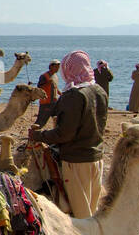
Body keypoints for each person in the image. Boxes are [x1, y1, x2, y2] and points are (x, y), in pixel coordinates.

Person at [29, 50, 109, 218]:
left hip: (76, 161)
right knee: (92, 211)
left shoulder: (74, 95)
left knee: (81, 216)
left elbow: (64, 134)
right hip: (97, 157)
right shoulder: (99, 91)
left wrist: (39, 136)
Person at [36, 60, 61, 126]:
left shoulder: (55, 76)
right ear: (51, 67)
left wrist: (61, 94)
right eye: (56, 67)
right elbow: (39, 88)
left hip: (54, 102)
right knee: (41, 122)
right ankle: (32, 134)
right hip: (46, 103)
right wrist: (47, 83)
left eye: (58, 67)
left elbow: (55, 87)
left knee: (58, 119)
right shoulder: (44, 76)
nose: (58, 69)